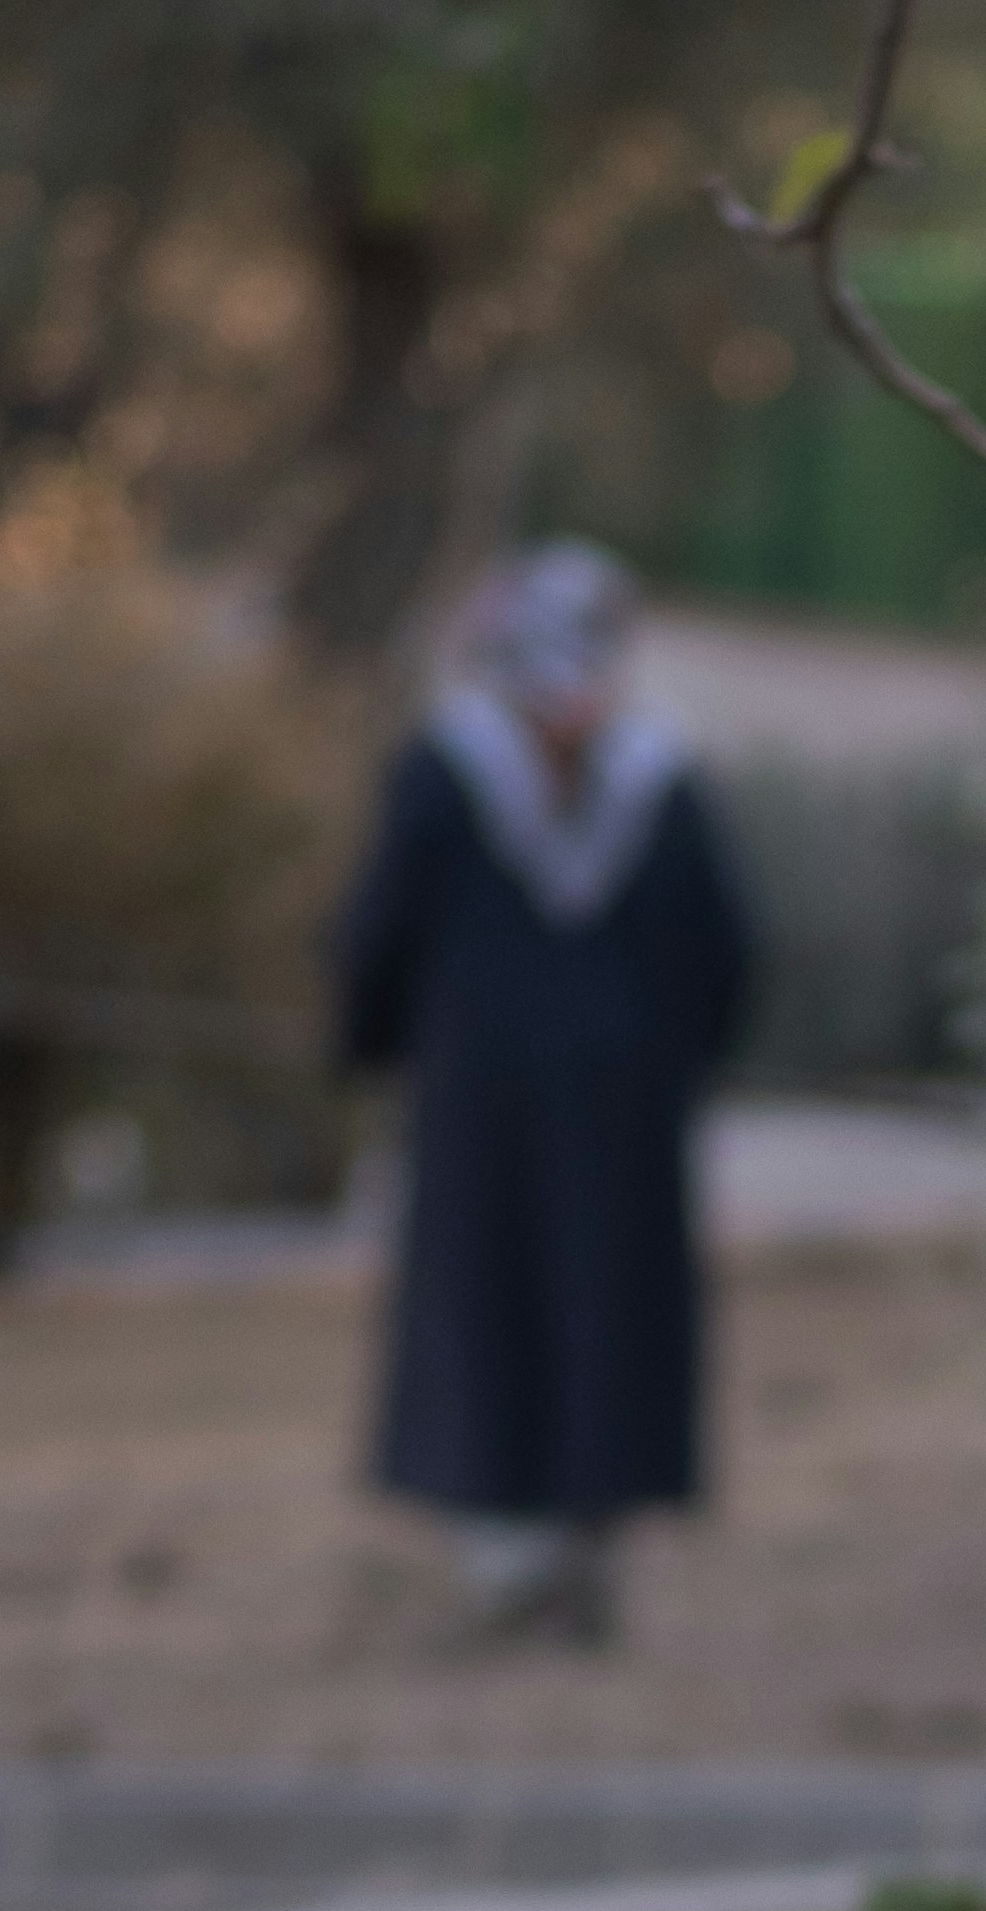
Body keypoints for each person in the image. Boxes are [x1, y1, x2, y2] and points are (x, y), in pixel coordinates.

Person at [333, 547, 756, 1650]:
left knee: (502, 1308)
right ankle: (550, 1555)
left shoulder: (450, 777)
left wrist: (370, 1046)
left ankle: (531, 1557)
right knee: (583, 1311)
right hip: (616, 1113)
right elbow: (726, 961)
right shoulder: (659, 788)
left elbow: (376, 941)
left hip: (485, 1108)